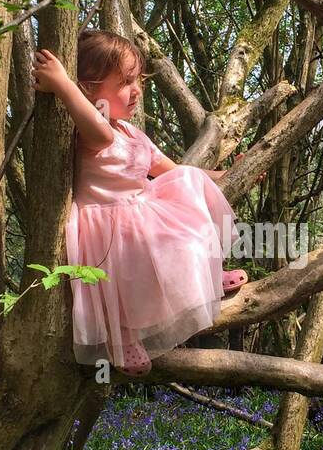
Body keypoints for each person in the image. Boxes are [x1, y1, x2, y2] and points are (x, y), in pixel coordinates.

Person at [31, 28, 248, 376]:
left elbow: (175, 171)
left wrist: (234, 172)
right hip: (107, 228)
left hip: (140, 213)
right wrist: (61, 83)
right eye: (124, 83)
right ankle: (124, 338)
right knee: (125, 279)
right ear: (88, 89)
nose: (136, 91)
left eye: (138, 81)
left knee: (187, 182)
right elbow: (100, 135)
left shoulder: (133, 134)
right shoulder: (89, 130)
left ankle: (207, 272)